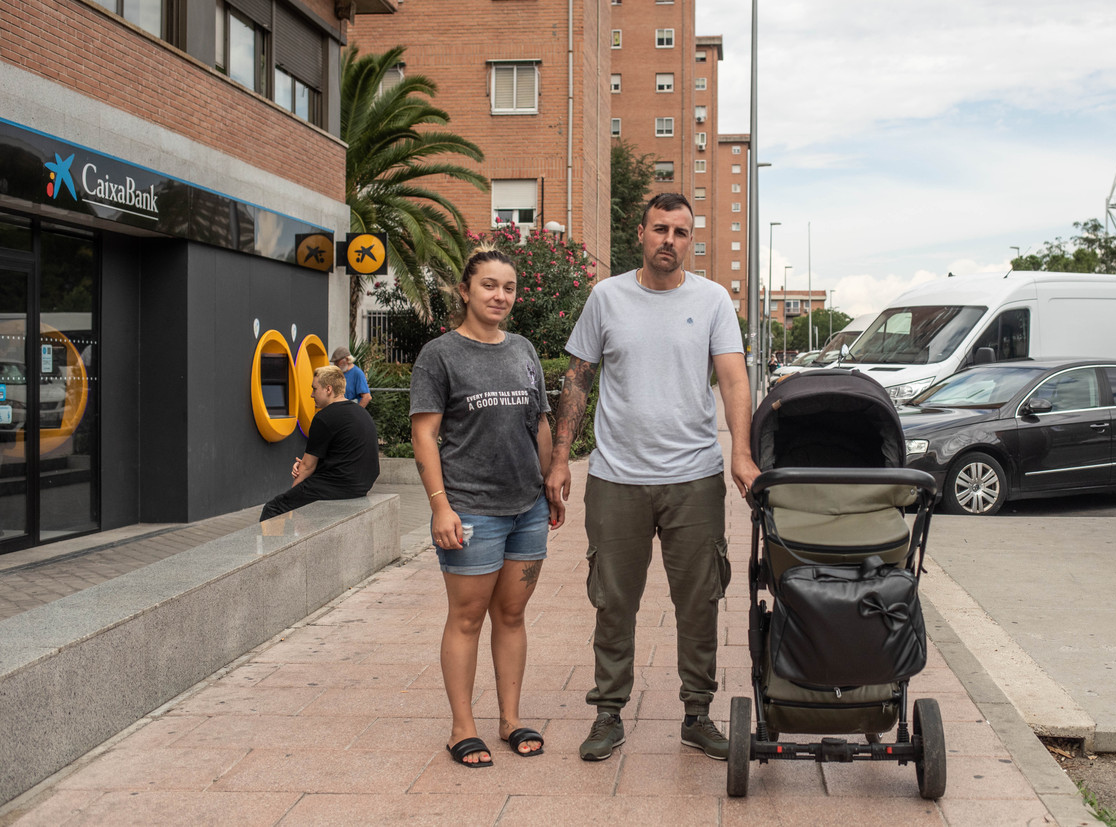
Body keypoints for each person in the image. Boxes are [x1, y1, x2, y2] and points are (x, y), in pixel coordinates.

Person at [545, 192, 761, 762]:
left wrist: (741, 452)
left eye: (682, 232)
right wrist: (562, 457)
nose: (670, 240)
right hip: (617, 479)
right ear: (640, 233)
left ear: (692, 240)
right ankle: (608, 713)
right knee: (614, 600)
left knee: (700, 600)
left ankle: (697, 713)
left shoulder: (713, 300)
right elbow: (577, 380)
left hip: (694, 477)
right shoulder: (606, 297)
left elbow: (735, 382)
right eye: (660, 229)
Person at [409, 247, 564, 768]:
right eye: (489, 286)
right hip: (470, 510)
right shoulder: (440, 354)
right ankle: (462, 727)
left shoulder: (523, 349)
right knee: (468, 616)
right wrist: (440, 507)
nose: (501, 296)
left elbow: (539, 422)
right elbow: (425, 435)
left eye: (509, 288)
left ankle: (511, 718)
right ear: (466, 291)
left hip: (527, 508)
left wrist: (548, 484)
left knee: (513, 615)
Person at [260, 364, 380, 521]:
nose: (311, 394)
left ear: (328, 389)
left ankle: (276, 546)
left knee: (273, 508)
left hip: (338, 486)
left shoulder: (324, 417)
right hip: (361, 484)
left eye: (314, 389)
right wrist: (305, 465)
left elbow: (307, 467)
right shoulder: (361, 412)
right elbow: (341, 452)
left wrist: (291, 498)